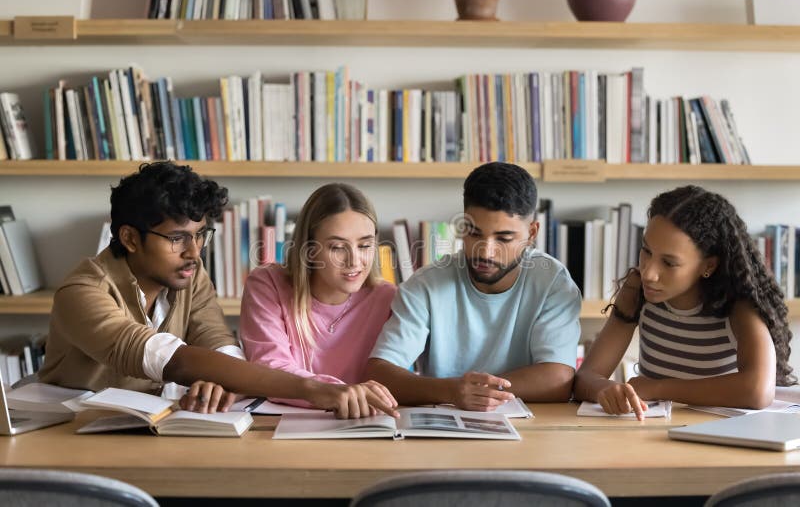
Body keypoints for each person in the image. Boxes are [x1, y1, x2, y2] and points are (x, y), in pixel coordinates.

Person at [39, 162, 397, 419]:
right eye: (177, 238)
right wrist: (315, 389)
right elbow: (168, 358)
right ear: (130, 238)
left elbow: (218, 342)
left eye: (200, 235)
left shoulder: (189, 276)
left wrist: (224, 381)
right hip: (71, 430)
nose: (194, 252)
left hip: (153, 426)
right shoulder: (82, 291)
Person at [366, 162, 582, 410]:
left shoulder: (553, 284)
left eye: (503, 238)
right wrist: (453, 391)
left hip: (532, 432)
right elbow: (379, 373)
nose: (485, 251)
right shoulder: (424, 286)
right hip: (443, 430)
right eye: (474, 233)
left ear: (532, 233)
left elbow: (559, 379)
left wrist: (477, 392)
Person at [574, 185, 794, 420]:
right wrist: (604, 390)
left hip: (721, 437)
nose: (649, 273)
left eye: (669, 263)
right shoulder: (636, 290)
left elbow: (757, 391)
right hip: (652, 433)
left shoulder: (737, 306)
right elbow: (586, 376)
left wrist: (657, 388)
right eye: (646, 251)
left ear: (708, 265)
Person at [239, 183, 396, 406]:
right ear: (310, 250)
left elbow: (394, 377)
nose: (354, 261)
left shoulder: (388, 299)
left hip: (364, 426)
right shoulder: (267, 285)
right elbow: (269, 369)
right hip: (279, 427)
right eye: (337, 247)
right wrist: (335, 392)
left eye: (364, 246)